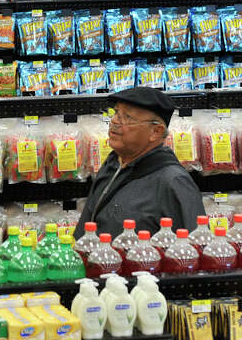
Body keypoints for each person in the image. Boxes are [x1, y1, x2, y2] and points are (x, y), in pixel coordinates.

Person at [75, 87, 205, 237]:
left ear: (155, 131)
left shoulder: (173, 182)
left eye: (127, 117)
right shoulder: (114, 163)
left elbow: (194, 249)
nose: (115, 121)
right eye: (116, 112)